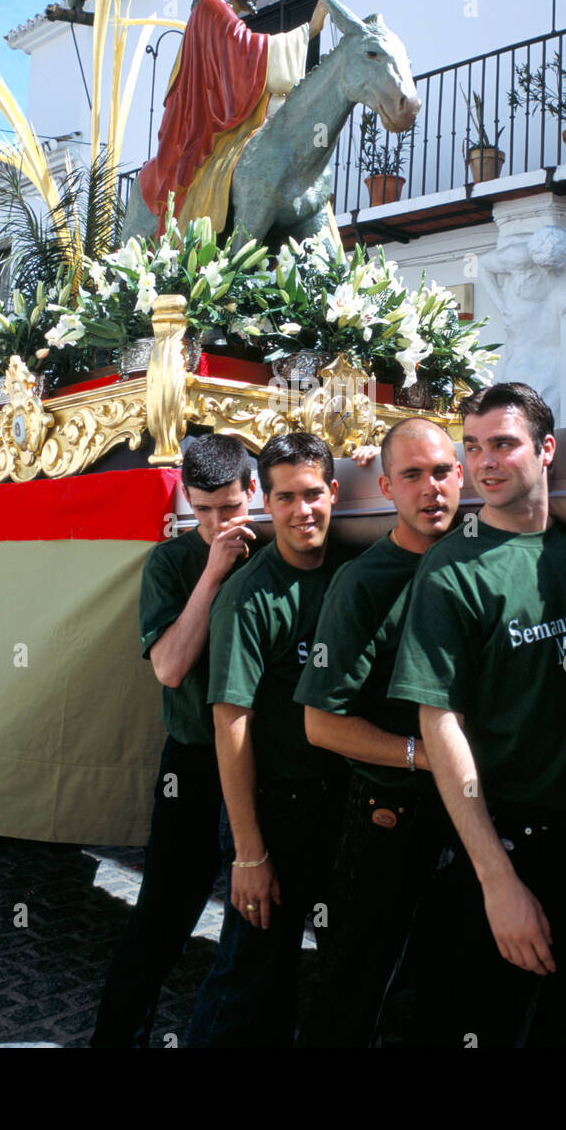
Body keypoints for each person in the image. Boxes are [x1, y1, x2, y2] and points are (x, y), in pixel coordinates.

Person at [389, 383, 566, 1047]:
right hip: (524, 847)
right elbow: (438, 724)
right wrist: (496, 881)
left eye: (502, 444)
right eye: (472, 447)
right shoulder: (453, 572)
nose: (483, 462)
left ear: (546, 450)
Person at [295, 418, 462, 1046]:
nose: (431, 489)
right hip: (391, 820)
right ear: (387, 487)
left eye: (441, 471)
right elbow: (320, 725)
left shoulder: (479, 558)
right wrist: (430, 757)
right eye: (412, 476)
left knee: (445, 992)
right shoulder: (362, 583)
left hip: (473, 818)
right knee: (356, 994)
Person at [90, 434, 257, 1048]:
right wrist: (212, 575)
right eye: (204, 510)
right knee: (162, 913)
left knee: (260, 910)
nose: (217, 523)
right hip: (193, 761)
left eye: (230, 508)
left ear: (252, 492)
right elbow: (168, 667)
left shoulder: (275, 546)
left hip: (267, 763)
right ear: (187, 500)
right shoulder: (170, 562)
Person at [187, 432, 348, 1048]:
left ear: (335, 493)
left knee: (329, 968)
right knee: (250, 974)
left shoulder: (349, 569)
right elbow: (231, 726)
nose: (302, 510)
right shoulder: (247, 597)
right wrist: (249, 853)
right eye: (286, 498)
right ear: (265, 500)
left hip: (342, 803)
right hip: (275, 811)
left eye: (313, 494)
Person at [138, 0, 327, 237]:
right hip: (204, 125)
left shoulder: (217, 13)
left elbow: (238, 58)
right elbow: (245, 51)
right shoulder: (211, 8)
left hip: (221, 115)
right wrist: (309, 30)